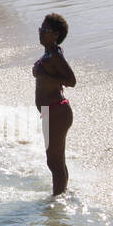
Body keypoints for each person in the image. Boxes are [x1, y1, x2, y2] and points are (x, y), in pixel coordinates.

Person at [33, 13, 76, 195]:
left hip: (57, 111)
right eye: (40, 29)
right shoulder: (50, 53)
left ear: (56, 35)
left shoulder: (55, 54)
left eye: (45, 30)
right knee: (56, 160)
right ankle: (61, 195)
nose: (40, 33)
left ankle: (57, 202)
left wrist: (44, 75)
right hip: (50, 111)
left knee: (54, 162)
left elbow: (71, 80)